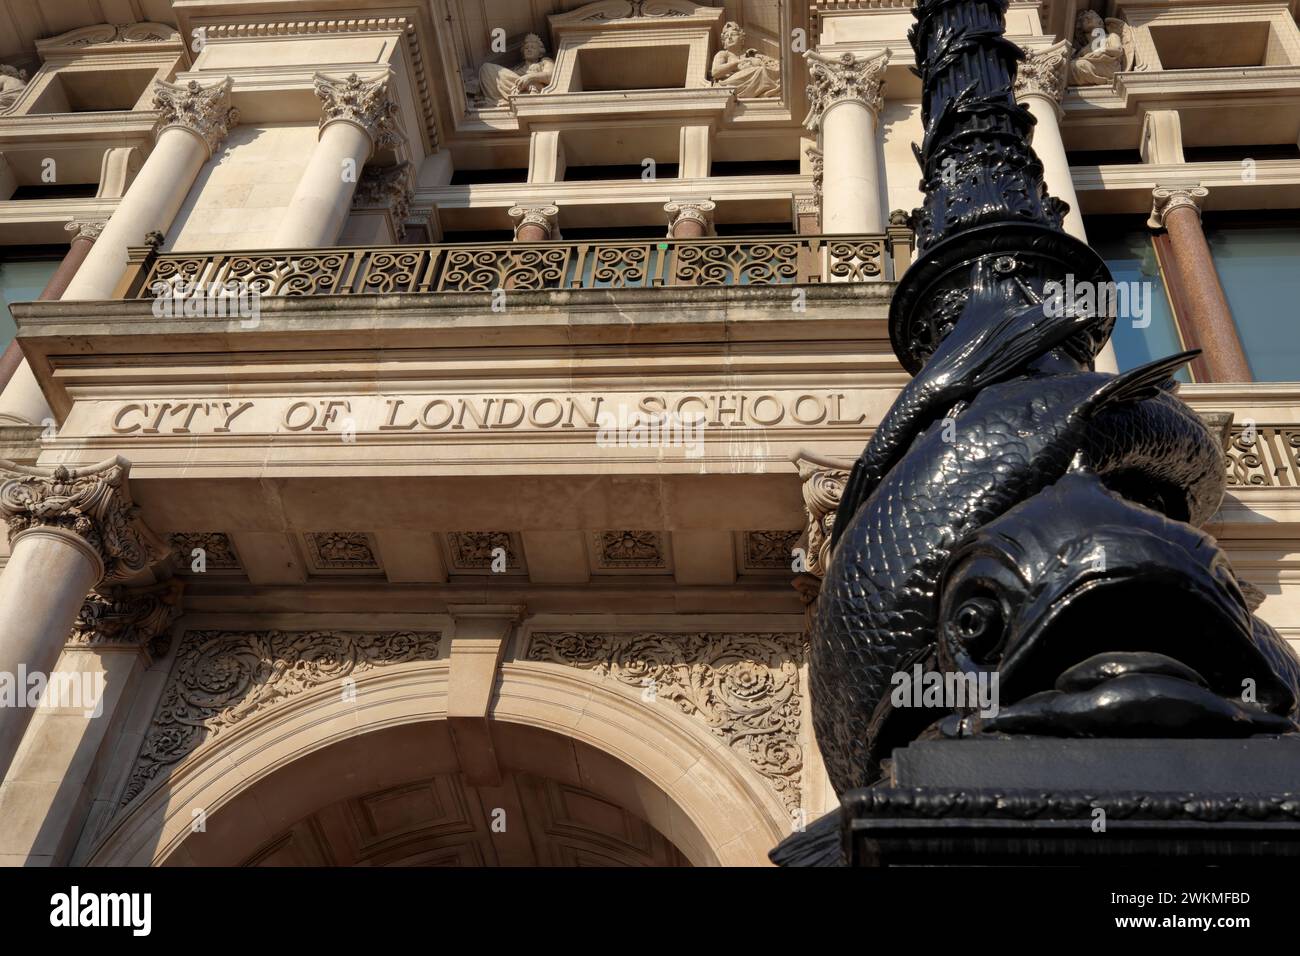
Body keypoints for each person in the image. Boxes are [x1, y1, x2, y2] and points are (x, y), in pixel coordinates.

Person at [478, 33, 554, 105]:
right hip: (515, 84)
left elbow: (551, 76)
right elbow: (507, 77)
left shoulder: (545, 61)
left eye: (533, 47)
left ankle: (524, 90)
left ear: (540, 53)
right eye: (526, 48)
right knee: (486, 68)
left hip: (533, 87)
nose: (529, 49)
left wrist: (530, 77)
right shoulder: (517, 68)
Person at [710, 22, 780, 99]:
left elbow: (770, 64)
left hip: (750, 78)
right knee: (760, 71)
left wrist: (758, 61)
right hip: (732, 81)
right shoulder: (723, 54)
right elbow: (715, 72)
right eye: (726, 36)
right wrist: (737, 63)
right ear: (724, 43)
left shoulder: (752, 53)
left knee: (764, 71)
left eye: (733, 34)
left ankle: (768, 90)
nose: (729, 38)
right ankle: (772, 89)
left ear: (742, 38)